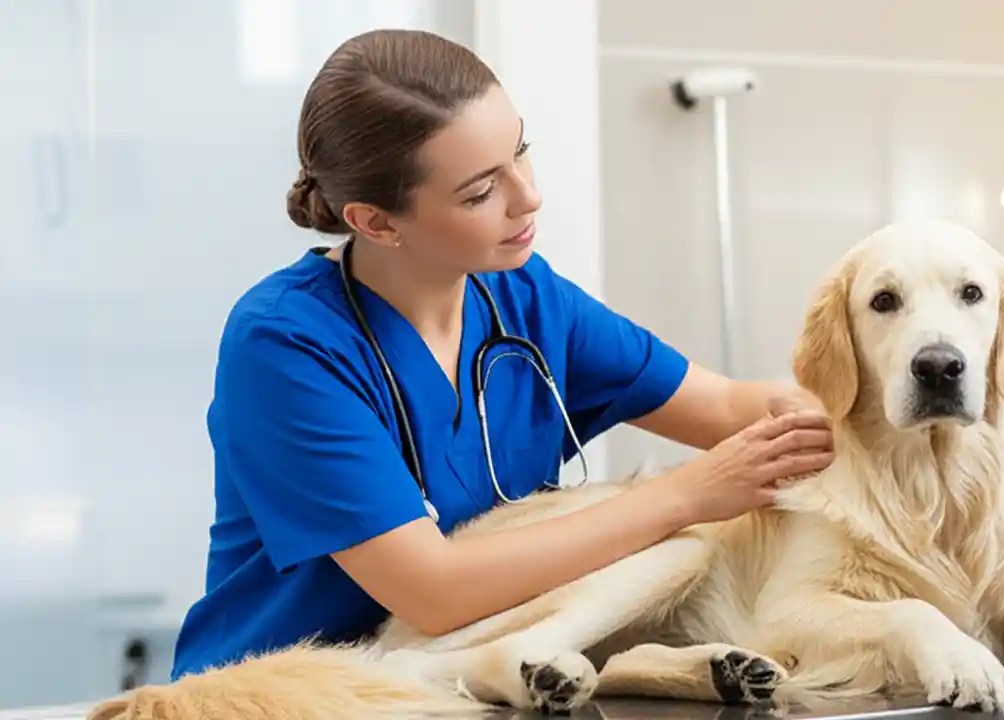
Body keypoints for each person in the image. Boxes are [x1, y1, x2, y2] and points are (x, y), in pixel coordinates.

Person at [170, 28, 835, 680]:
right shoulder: (287, 344)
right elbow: (434, 591)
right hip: (285, 696)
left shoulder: (524, 297)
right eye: (481, 191)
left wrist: (880, 404)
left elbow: (723, 405)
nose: (529, 195)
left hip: (462, 687)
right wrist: (687, 494)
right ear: (375, 222)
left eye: (522, 153)